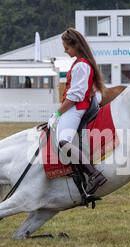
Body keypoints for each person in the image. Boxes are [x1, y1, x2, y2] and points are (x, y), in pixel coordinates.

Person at [46, 28, 107, 195]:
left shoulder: (81, 65)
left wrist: (57, 113)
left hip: (76, 109)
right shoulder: (81, 63)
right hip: (77, 107)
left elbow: (75, 96)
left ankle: (94, 174)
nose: (65, 50)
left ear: (76, 45)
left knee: (63, 141)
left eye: (66, 47)